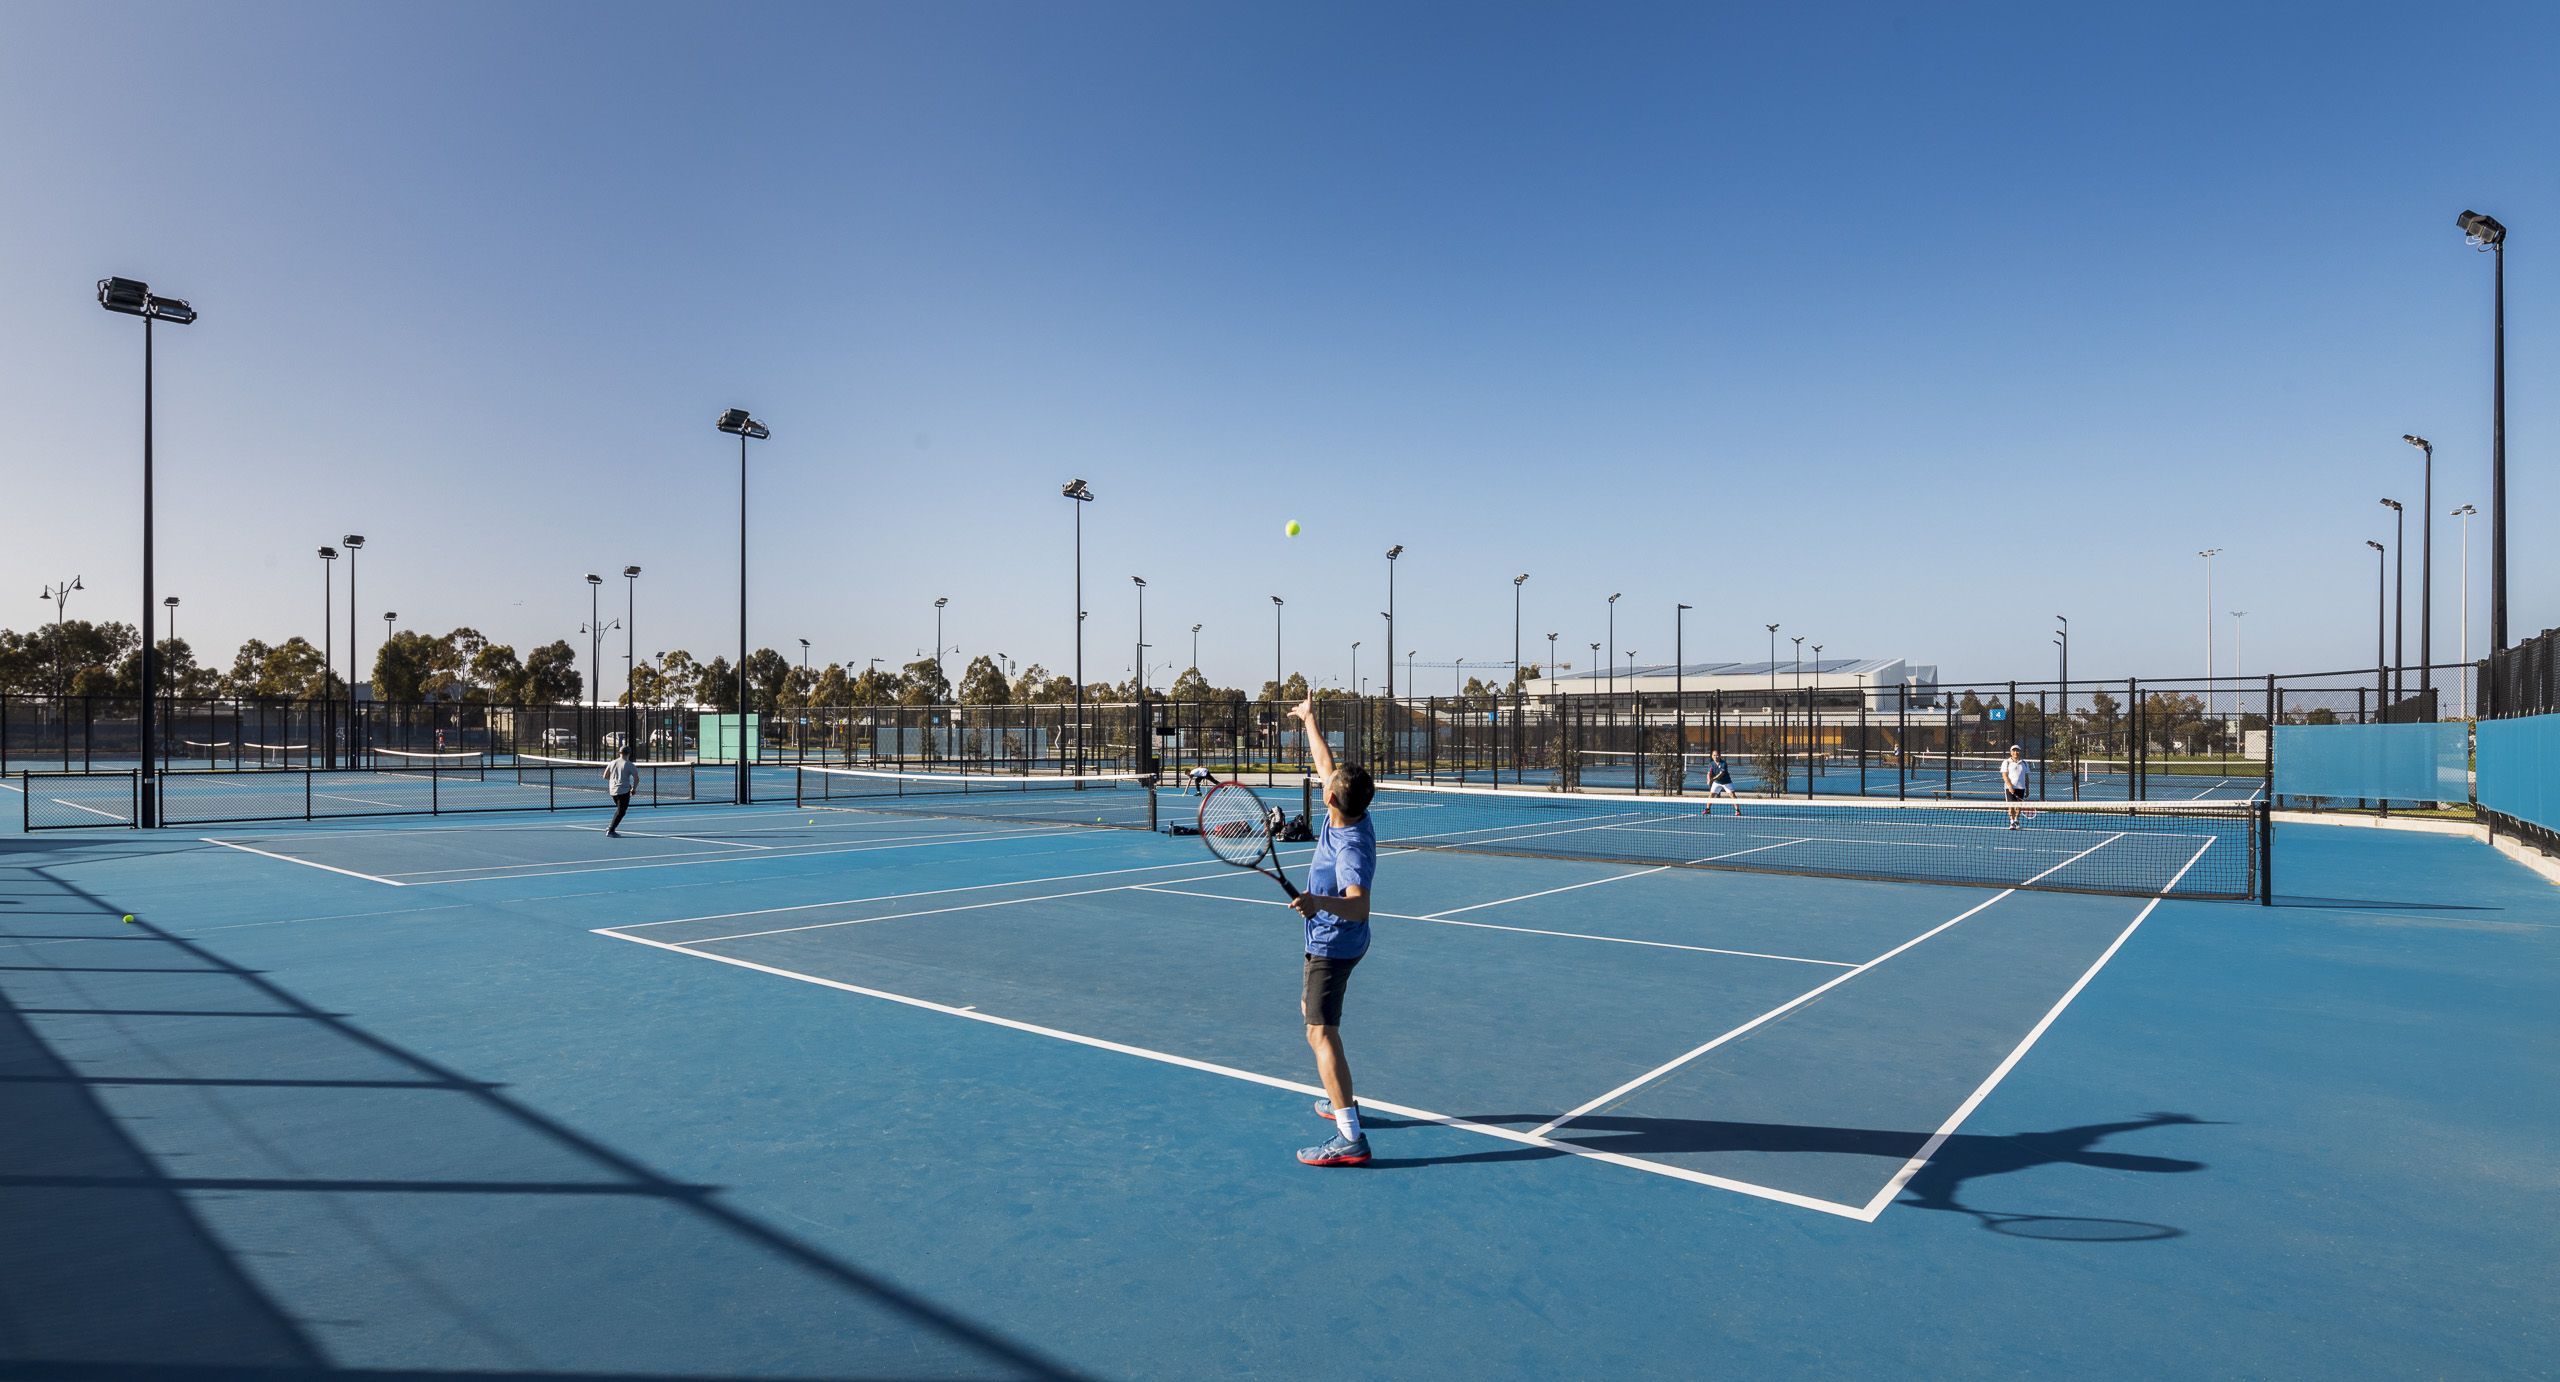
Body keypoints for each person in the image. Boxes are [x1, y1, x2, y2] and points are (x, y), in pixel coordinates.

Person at [1287, 694, 1377, 1168]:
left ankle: (1350, 1136)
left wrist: (1318, 902)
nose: (1326, 773)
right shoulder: (1348, 809)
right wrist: (1309, 719)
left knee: (1321, 1032)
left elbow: (1359, 905)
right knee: (1313, 1018)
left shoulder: (1349, 848)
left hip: (1334, 942)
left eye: (1330, 780)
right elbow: (1324, 760)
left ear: (1330, 797)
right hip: (1333, 941)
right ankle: (1340, 1097)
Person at [604, 742, 638, 837]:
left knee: (620, 810)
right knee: (621, 811)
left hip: (613, 790)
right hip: (623, 791)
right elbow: (636, 778)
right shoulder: (629, 764)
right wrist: (633, 789)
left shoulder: (612, 762)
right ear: (629, 753)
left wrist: (615, 780)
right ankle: (611, 830)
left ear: (619, 753)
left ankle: (611, 826)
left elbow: (605, 776)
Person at [1700, 750, 1742, 815]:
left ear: (1720, 756)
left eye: (1717, 755)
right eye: (1714, 755)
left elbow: (1721, 774)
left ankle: (1737, 810)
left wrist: (1712, 779)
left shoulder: (1723, 763)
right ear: (1712, 756)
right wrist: (1708, 779)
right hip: (1717, 782)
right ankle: (1707, 809)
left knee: (1732, 795)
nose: (1715, 757)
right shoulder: (1711, 764)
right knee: (1711, 795)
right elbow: (1709, 773)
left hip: (1726, 782)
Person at [2001, 743, 2033, 827]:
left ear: (2020, 752)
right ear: (2011, 752)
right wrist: (2010, 786)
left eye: (2017, 751)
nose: (2016, 752)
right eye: (2014, 751)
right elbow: (2004, 775)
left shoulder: (2025, 763)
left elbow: (2026, 777)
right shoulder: (2006, 762)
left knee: (2018, 807)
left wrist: (2027, 789)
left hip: (2021, 788)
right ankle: (2012, 822)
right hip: (2009, 788)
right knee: (2011, 806)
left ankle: (2016, 820)